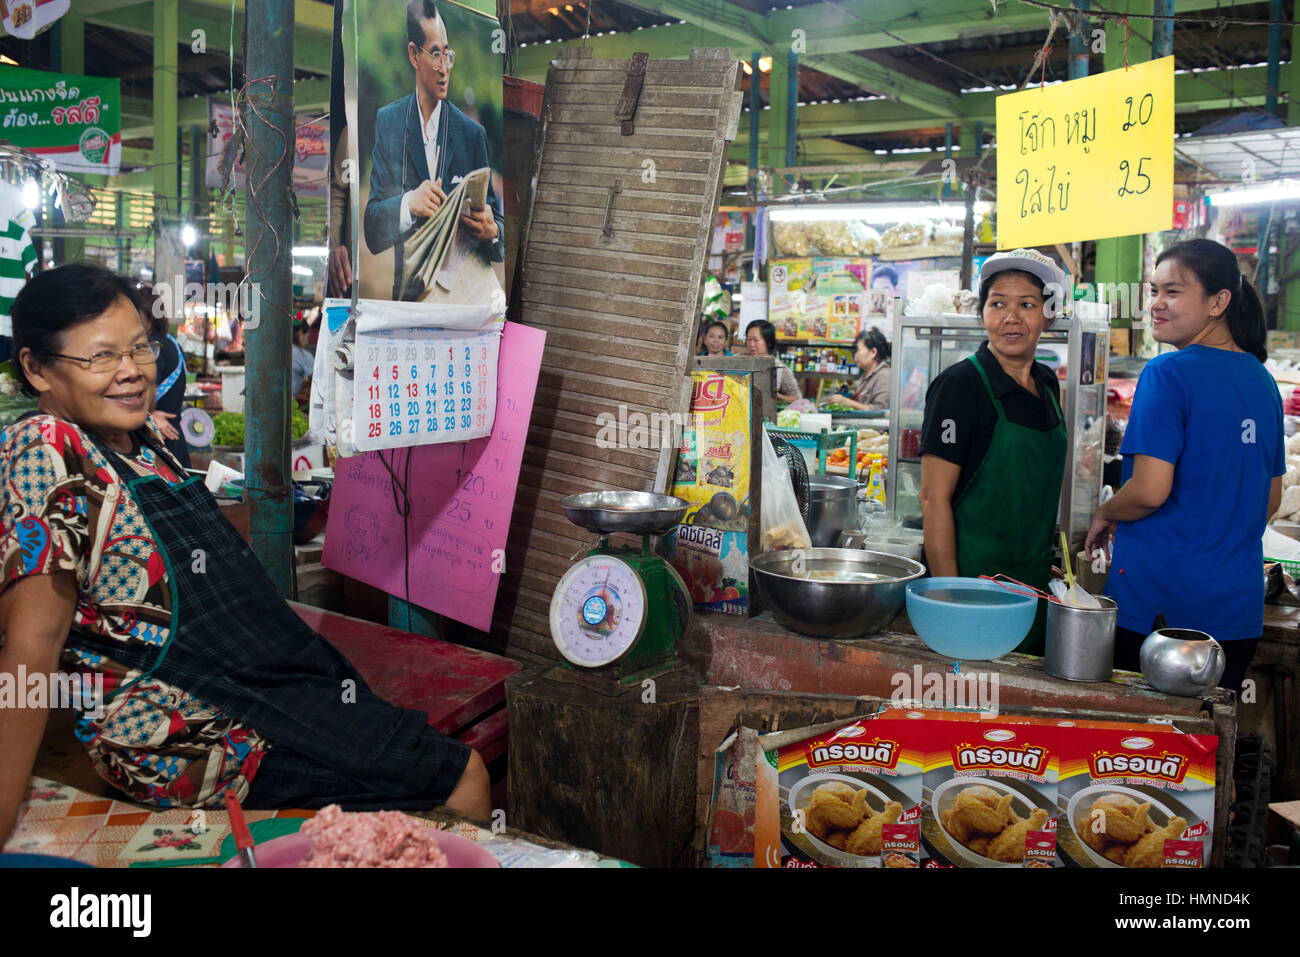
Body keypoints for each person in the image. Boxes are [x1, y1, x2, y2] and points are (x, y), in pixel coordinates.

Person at [0, 265, 489, 842]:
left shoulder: (139, 441)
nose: (131, 371)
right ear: (35, 367)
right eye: (101, 357)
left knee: (432, 769)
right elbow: (33, 644)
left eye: (139, 348)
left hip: (248, 692)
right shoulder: (45, 445)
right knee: (460, 777)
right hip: (185, 733)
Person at [1085, 239, 1283, 693]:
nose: (1156, 304)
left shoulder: (1168, 373)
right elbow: (1270, 498)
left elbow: (1151, 490)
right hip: (1236, 613)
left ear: (1218, 302)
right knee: (1207, 748)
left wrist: (1106, 512)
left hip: (1162, 612)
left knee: (1146, 753)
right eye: (1153, 291)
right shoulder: (1261, 379)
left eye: (1172, 292)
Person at [918, 249, 1068, 654]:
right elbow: (934, 498)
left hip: (1032, 585)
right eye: (997, 303)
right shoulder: (961, 386)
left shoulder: (1048, 385)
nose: (1011, 317)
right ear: (983, 313)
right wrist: (949, 597)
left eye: (1027, 305)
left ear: (1049, 315)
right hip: (973, 589)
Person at [363, 0, 504, 301]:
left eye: (448, 54)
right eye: (436, 54)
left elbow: (500, 233)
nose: (444, 69)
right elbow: (373, 230)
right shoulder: (388, 122)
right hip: (410, 301)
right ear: (414, 54)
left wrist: (491, 229)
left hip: (462, 301)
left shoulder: (471, 134)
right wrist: (408, 204)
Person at [145, 303, 191, 470]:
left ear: (147, 318)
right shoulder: (173, 343)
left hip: (158, 440)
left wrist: (147, 415)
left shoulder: (153, 347)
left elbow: (145, 389)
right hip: (174, 437)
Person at [823, 327, 891, 410]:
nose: (856, 354)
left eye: (859, 350)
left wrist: (847, 402)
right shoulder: (866, 374)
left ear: (873, 352)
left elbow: (881, 409)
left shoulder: (884, 375)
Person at [745, 320, 801, 403]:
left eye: (756, 340)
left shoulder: (779, 368)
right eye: (748, 339)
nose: (751, 344)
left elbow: (797, 398)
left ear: (769, 342)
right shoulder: (738, 361)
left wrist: (776, 396)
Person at [291, 319, 316, 403]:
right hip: (287, 406)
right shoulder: (302, 355)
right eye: (307, 335)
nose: (308, 340)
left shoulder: (273, 349)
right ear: (300, 333)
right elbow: (317, 381)